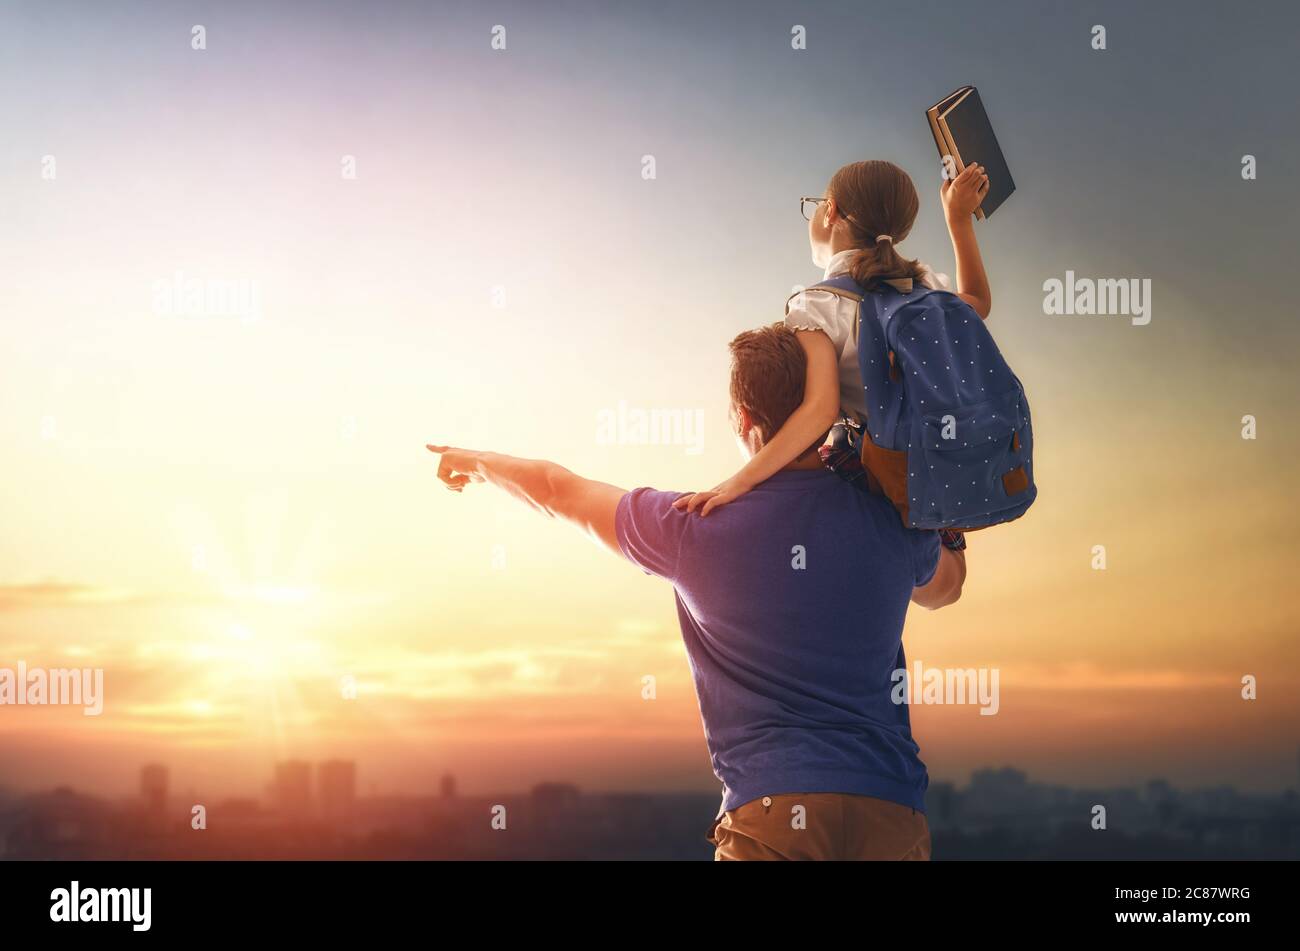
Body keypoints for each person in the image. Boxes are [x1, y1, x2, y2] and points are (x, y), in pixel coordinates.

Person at [427, 323, 965, 860]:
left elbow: (554, 488)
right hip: (892, 812)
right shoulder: (886, 522)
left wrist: (470, 462)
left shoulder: (693, 526)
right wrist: (933, 513)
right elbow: (946, 589)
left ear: (745, 419)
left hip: (772, 813)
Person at [674, 158, 992, 518]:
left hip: (878, 474)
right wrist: (958, 219)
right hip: (943, 466)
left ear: (830, 211)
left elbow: (820, 411)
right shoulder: (924, 285)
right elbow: (978, 303)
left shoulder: (816, 304)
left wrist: (739, 482)